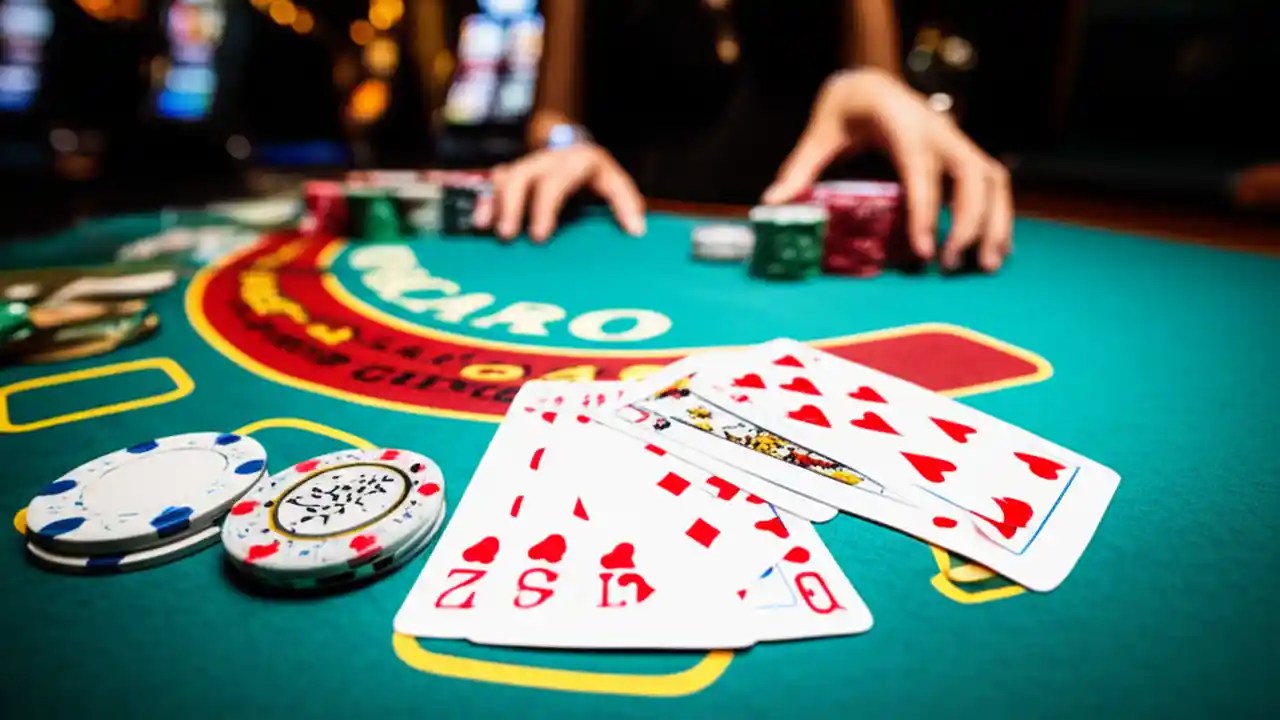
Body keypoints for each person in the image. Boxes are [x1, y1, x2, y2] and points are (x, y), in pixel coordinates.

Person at [474, 0, 1013, 273]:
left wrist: (875, 89)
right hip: (626, 237)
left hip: (807, 263)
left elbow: (878, 88)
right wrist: (569, 144)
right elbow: (553, 115)